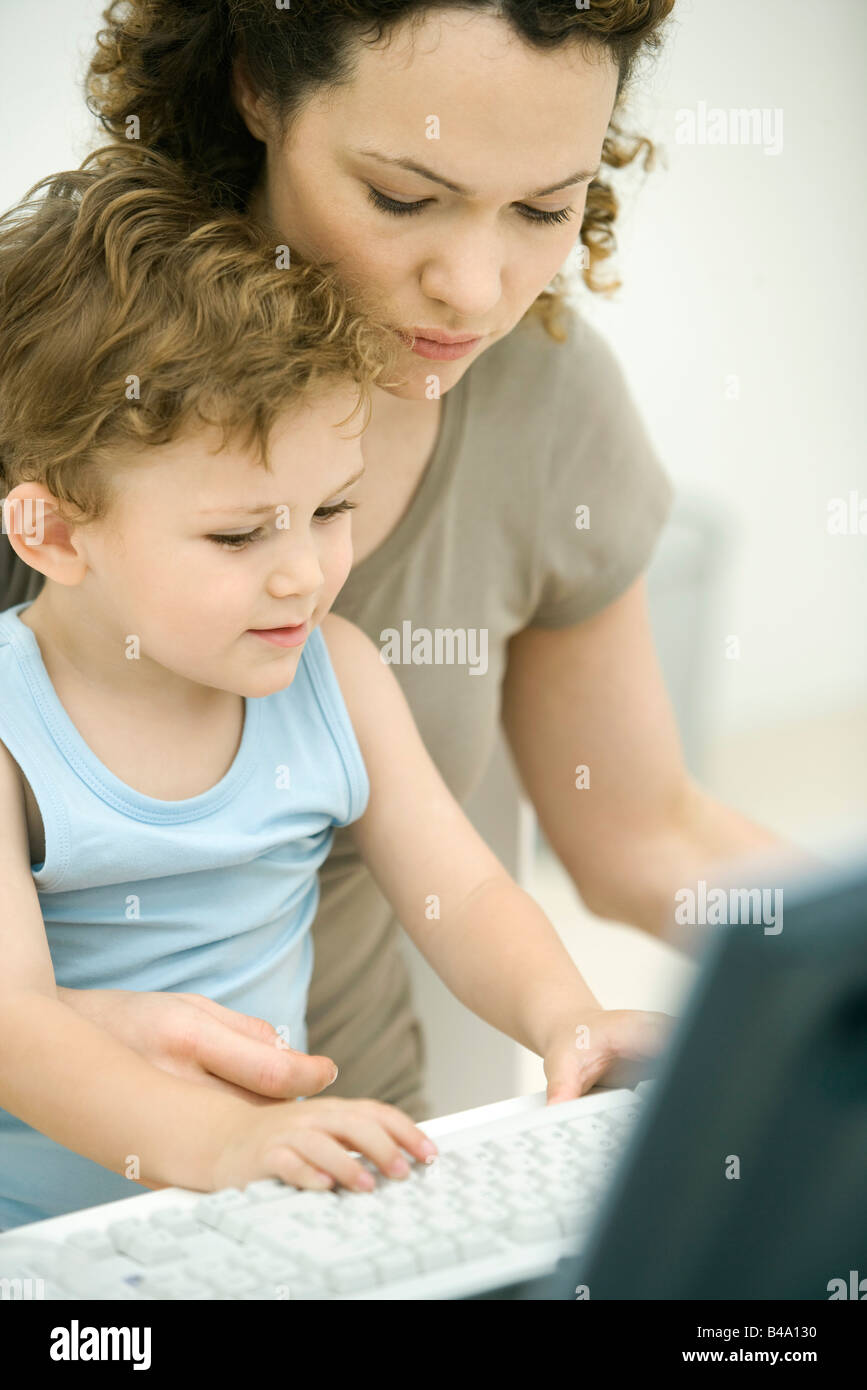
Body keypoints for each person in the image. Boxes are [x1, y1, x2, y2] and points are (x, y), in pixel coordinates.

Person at [0, 0, 791, 1123]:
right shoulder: (55, 374)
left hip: (366, 1150)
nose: (475, 290)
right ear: (255, 88)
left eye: (543, 207)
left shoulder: (543, 402)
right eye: (402, 197)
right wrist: (50, 1035)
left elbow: (636, 826)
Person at [0, 147, 672, 1230]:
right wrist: (231, 1143)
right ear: (58, 531)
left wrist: (566, 1016)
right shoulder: (10, 724)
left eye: (331, 509)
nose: (303, 571)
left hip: (268, 1210)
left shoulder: (334, 674)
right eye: (236, 532)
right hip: (45, 1244)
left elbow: (466, 896)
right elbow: (15, 1023)